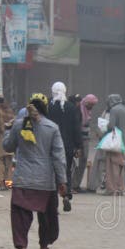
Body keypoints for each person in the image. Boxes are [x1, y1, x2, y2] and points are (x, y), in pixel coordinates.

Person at [3, 97, 68, 249]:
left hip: (23, 178)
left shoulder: (18, 125)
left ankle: (22, 247)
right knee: (47, 215)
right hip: (45, 181)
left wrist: (7, 130)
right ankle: (44, 247)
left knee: (20, 214)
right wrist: (62, 181)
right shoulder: (52, 128)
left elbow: (7, 146)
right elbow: (58, 157)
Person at [48, 82, 81, 210]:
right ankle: (66, 195)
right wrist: (78, 146)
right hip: (67, 146)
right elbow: (76, 129)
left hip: (50, 145)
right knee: (65, 170)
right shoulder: (71, 108)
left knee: (51, 173)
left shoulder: (47, 106)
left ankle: (53, 201)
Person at [106, 94, 125, 191]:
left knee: (112, 166)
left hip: (115, 141)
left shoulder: (114, 110)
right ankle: (122, 187)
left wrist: (105, 127)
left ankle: (112, 188)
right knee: (123, 165)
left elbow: (111, 126)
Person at [73, 93, 98, 192]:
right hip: (80, 140)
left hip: (86, 139)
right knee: (78, 162)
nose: (91, 107)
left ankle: (76, 184)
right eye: (90, 105)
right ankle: (74, 185)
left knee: (83, 162)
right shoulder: (79, 111)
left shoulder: (87, 111)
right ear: (86, 103)